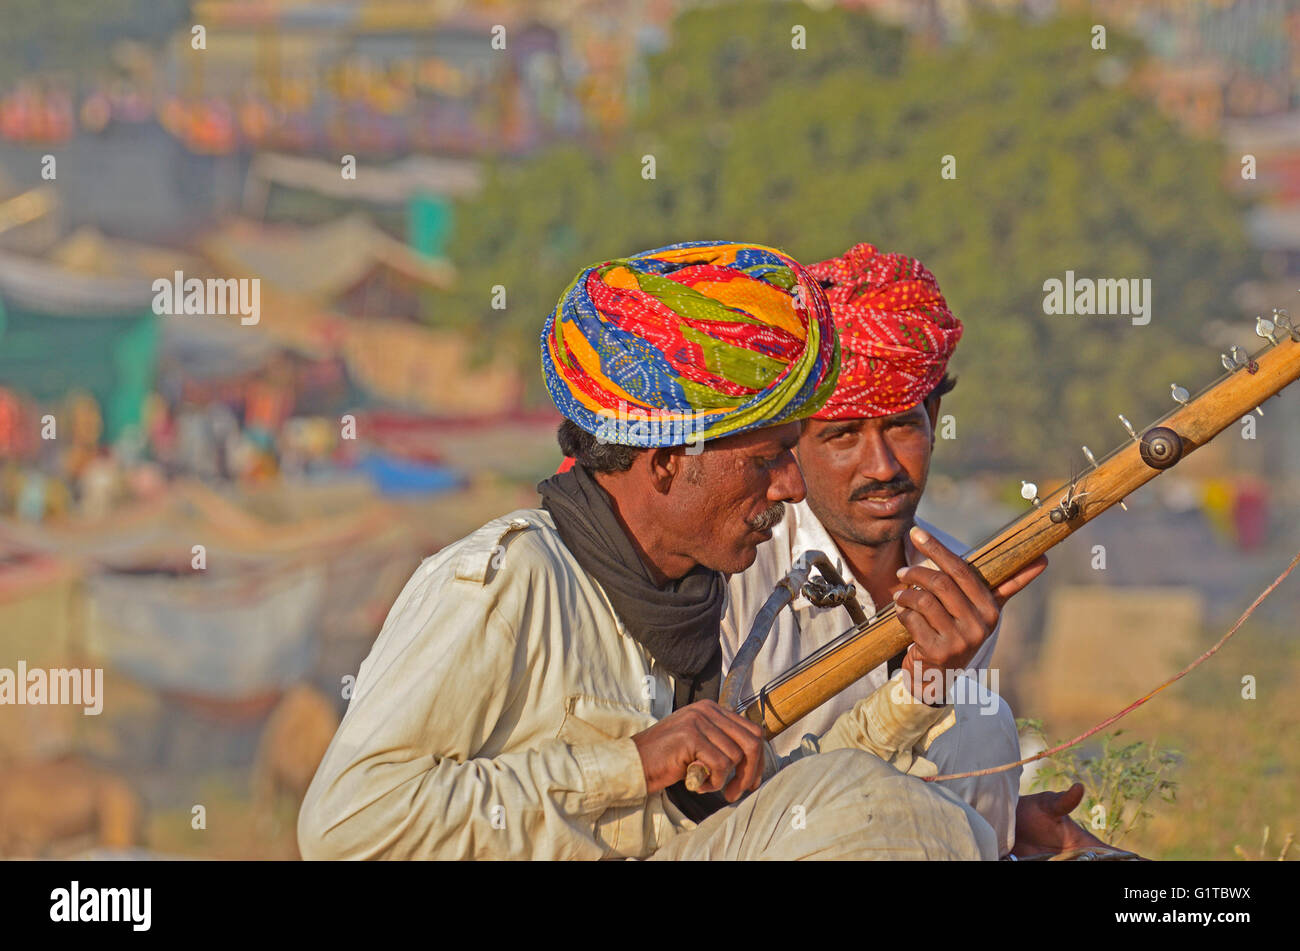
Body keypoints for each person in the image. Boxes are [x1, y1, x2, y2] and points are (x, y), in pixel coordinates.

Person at [298, 241, 1017, 860]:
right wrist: (631, 763)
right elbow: (346, 823)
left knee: (958, 760)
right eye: (767, 459)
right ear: (669, 459)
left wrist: (921, 687)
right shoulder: (510, 579)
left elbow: (793, 798)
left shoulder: (687, 594)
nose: (792, 486)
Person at [721, 242, 1101, 858]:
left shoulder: (956, 579)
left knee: (980, 721)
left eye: (901, 425)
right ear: (791, 443)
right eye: (842, 435)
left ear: (933, 413)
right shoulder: (738, 573)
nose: (882, 466)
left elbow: (935, 768)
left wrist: (1000, 826)